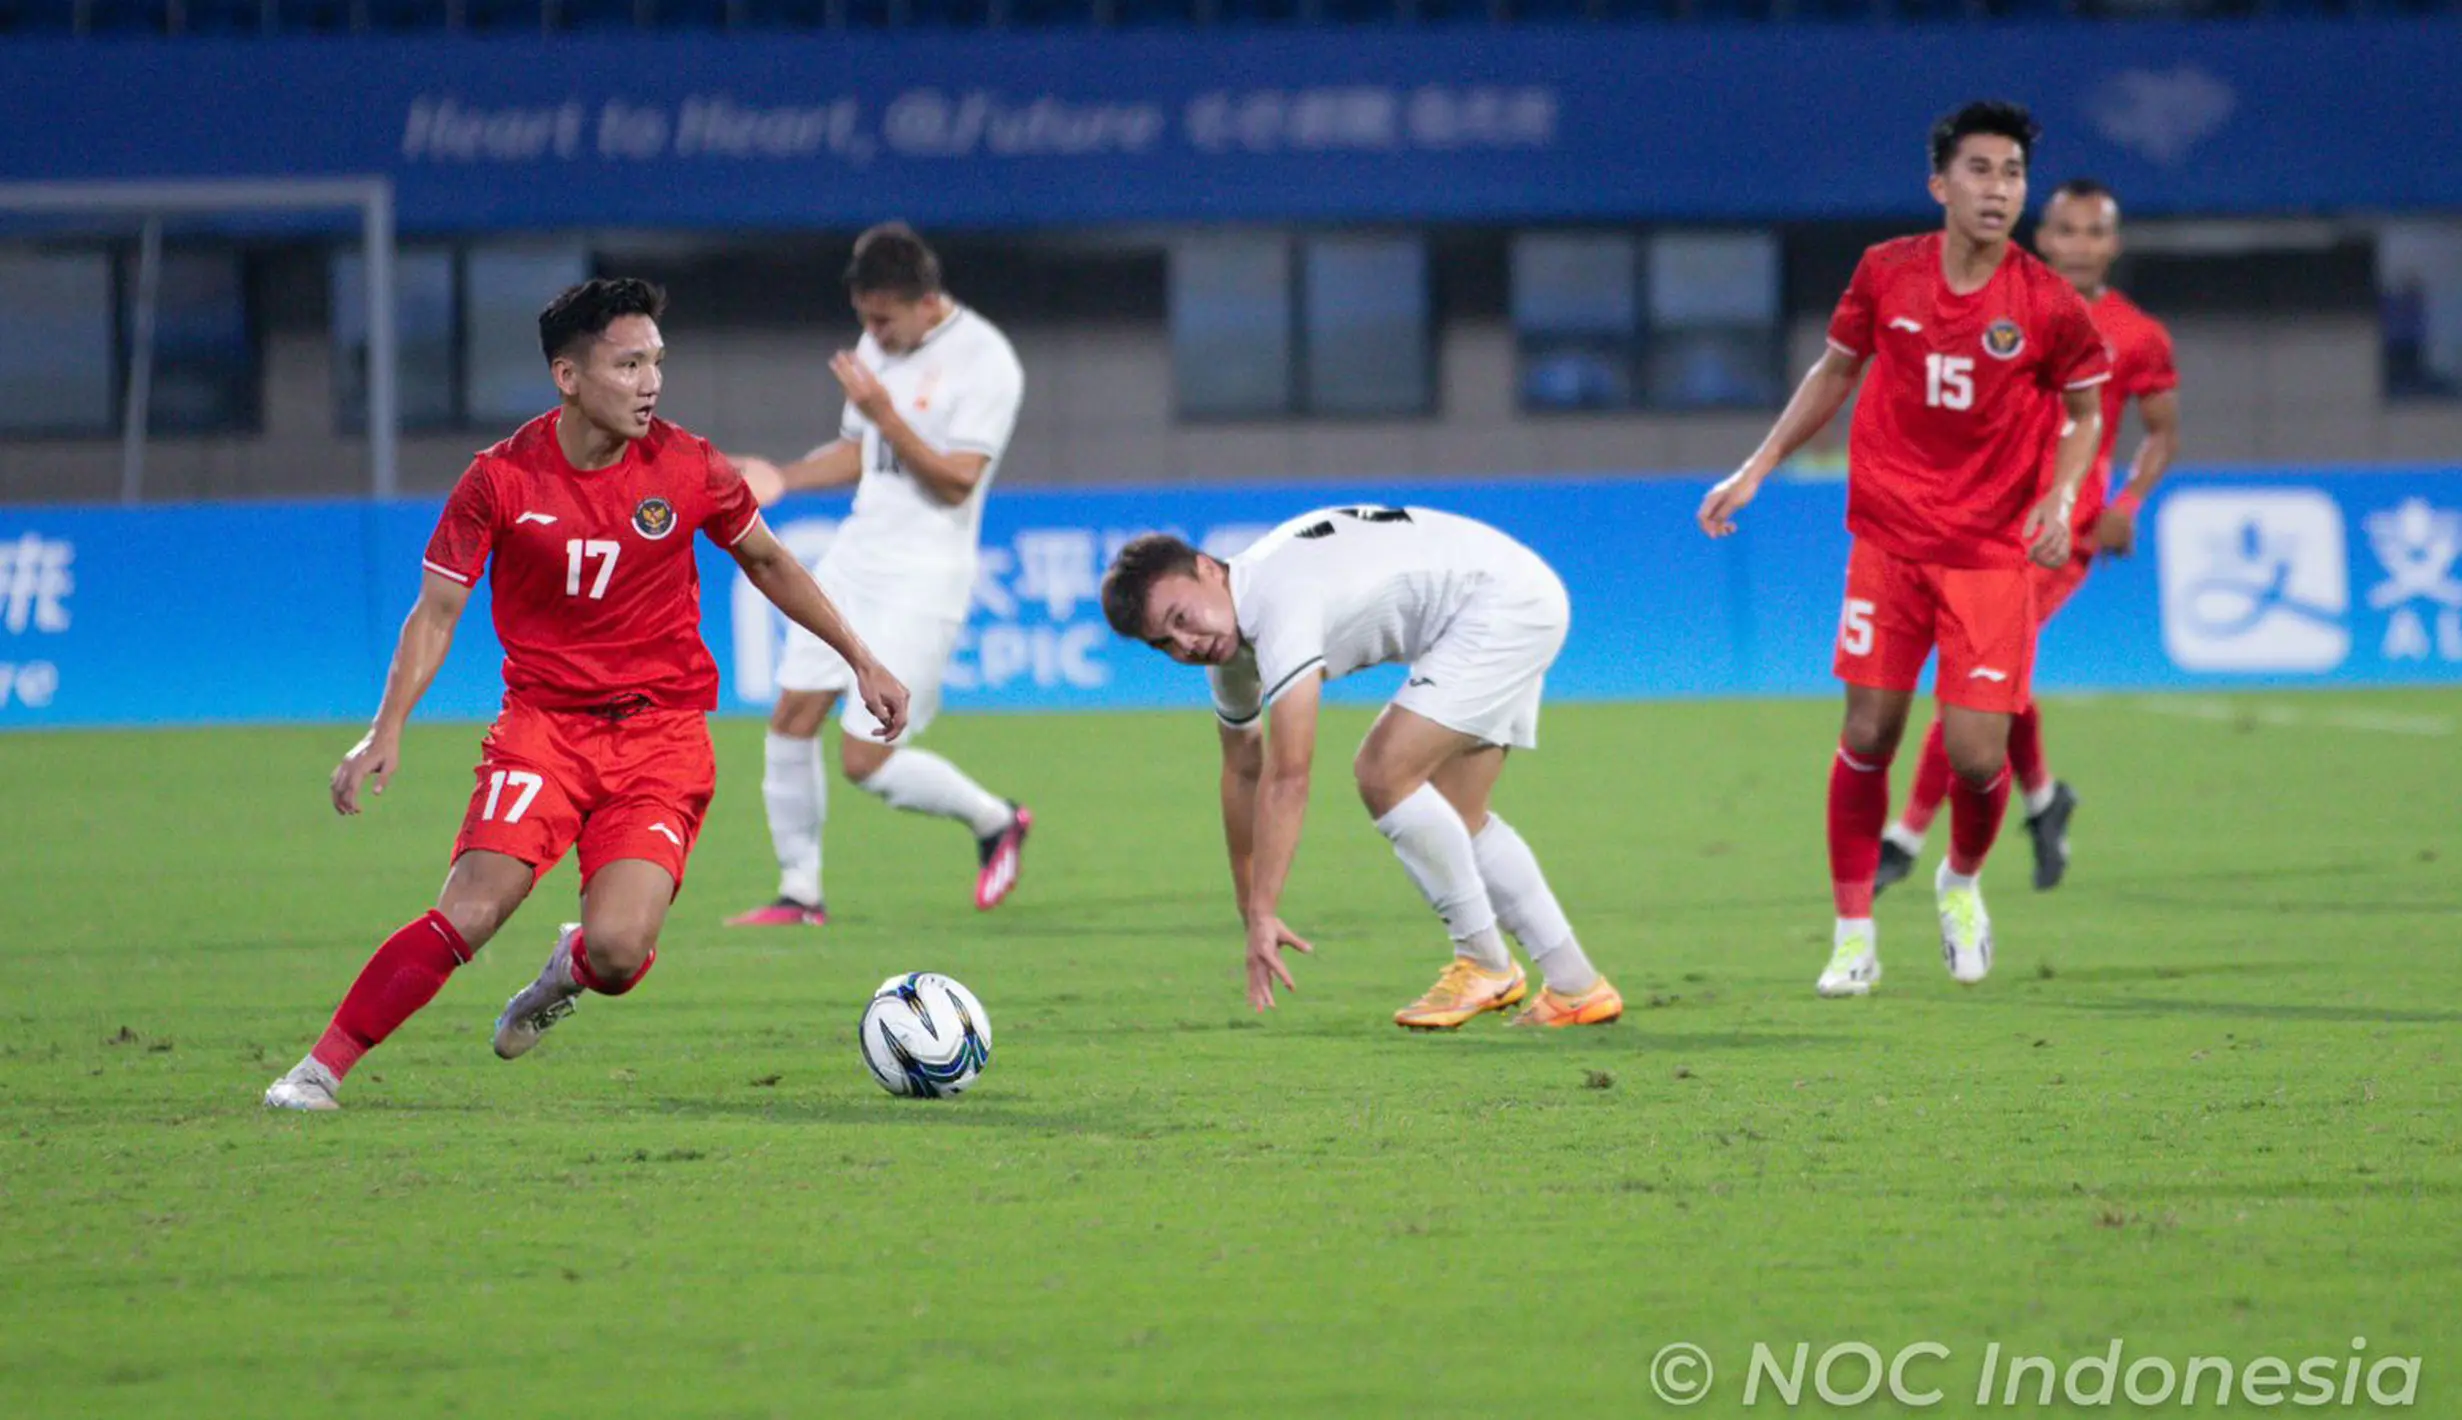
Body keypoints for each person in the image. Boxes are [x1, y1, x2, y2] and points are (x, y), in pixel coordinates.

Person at [263, 279, 909, 1111]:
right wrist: (384, 729)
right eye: (629, 363)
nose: (651, 383)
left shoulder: (688, 466)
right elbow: (436, 613)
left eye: (657, 363)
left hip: (661, 738)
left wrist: (861, 658)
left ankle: (562, 972)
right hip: (544, 731)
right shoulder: (498, 481)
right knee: (471, 909)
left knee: (616, 952)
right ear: (568, 377)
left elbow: (770, 562)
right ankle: (318, 1070)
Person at [1697, 100, 2111, 997]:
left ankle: (1959, 883)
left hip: (1991, 555)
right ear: (1939, 184)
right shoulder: (1887, 272)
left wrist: (2063, 491)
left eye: (2012, 173)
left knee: (1974, 758)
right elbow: (1835, 370)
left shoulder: (2046, 302)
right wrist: (1758, 467)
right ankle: (1854, 936)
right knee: (1869, 731)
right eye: (1980, 170)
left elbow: (2085, 410)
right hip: (1888, 542)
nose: (1999, 188)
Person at [1100, 506, 1621, 1029]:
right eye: (1164, 643)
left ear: (1208, 569)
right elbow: (1242, 772)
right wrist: (1250, 909)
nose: (1186, 644)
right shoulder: (1230, 648)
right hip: (1505, 594)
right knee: (1456, 814)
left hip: (1503, 603)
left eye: (1182, 618)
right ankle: (1576, 987)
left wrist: (1265, 909)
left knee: (1383, 770)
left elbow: (1289, 776)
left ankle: (1484, 962)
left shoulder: (1277, 600)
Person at [724, 223, 1031, 930]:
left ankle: (997, 820)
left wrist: (886, 415)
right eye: (864, 318)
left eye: (883, 320)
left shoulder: (987, 363)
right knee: (791, 718)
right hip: (860, 552)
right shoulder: (877, 342)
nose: (872, 335)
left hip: (926, 573)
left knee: (865, 758)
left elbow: (957, 481)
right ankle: (800, 895)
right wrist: (786, 476)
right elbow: (861, 452)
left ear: (927, 302)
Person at [1881, 178, 2182, 894]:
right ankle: (2045, 800)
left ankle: (1905, 836)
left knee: (1971, 686)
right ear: (2043, 237)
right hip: (1981, 525)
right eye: (2068, 230)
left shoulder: (2138, 335)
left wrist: (2130, 501)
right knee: (1997, 681)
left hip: (2060, 534)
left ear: (2114, 243)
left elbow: (2162, 433)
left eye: (2095, 231)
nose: (2080, 245)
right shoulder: (2001, 308)